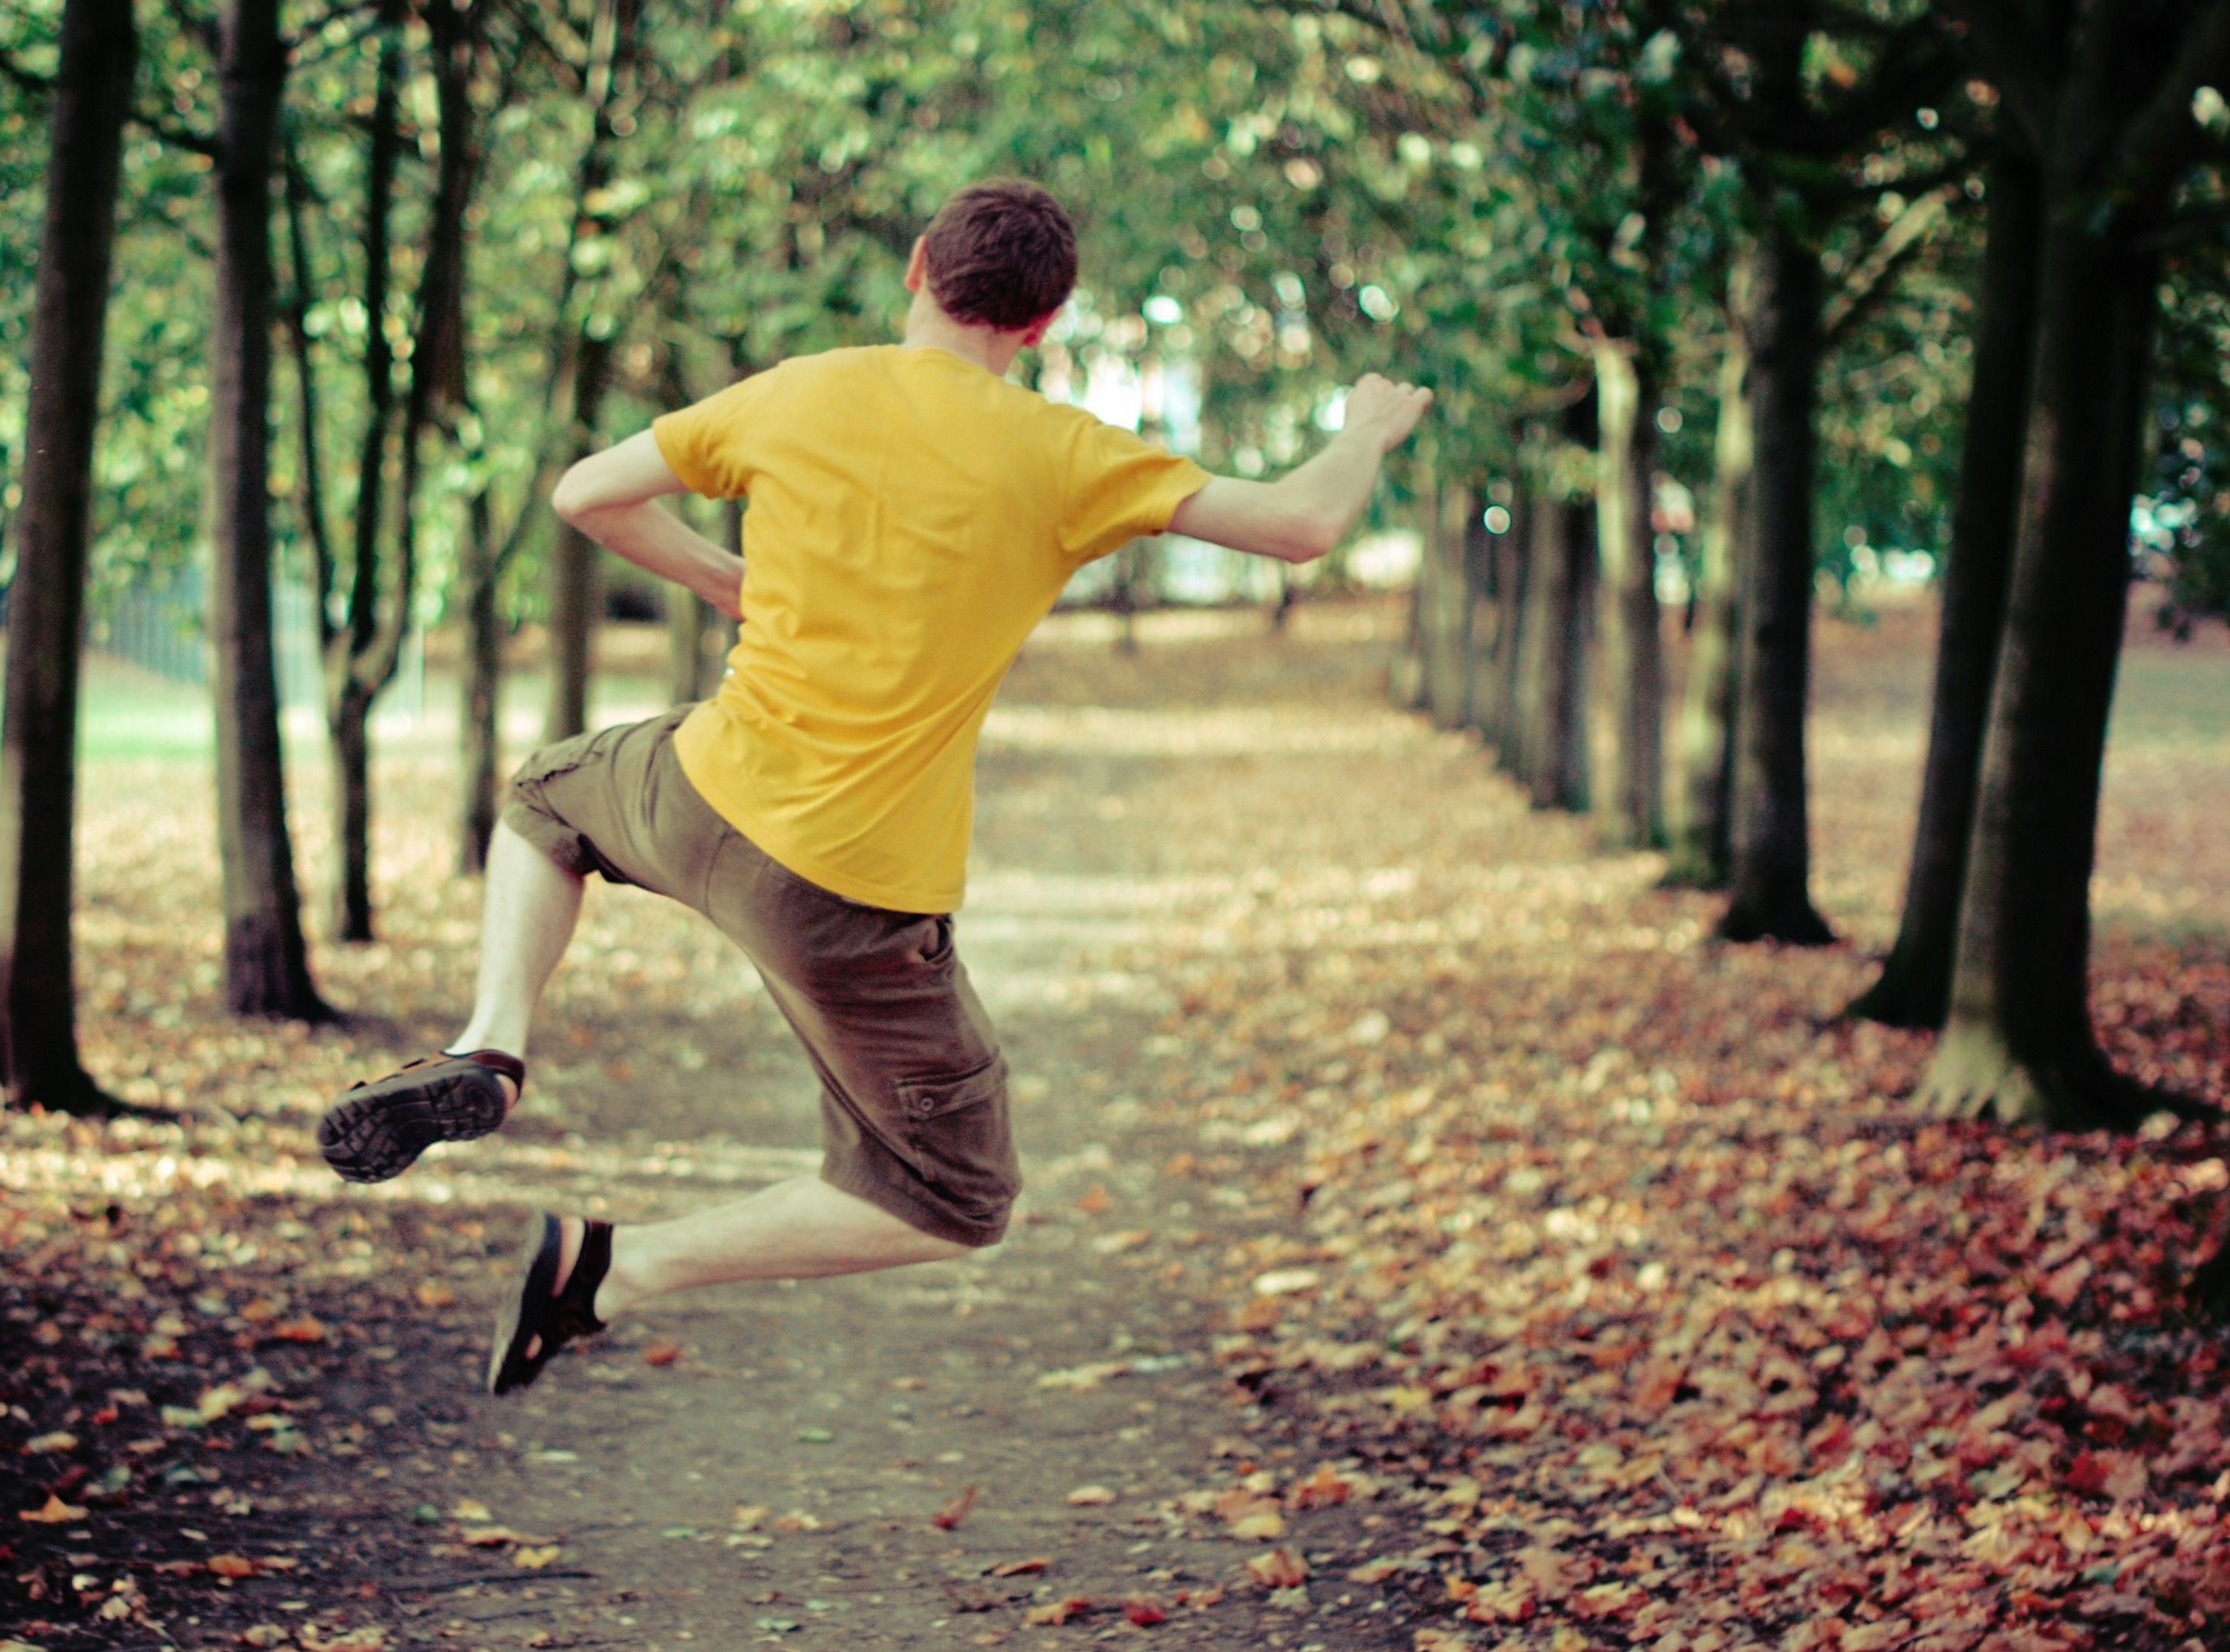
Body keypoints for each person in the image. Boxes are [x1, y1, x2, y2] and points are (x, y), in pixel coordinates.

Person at [319, 178, 1431, 1395]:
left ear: (917, 268)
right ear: (1042, 326)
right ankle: (613, 1270)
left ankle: (490, 1045)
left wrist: (718, 578)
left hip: (698, 794)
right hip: (847, 890)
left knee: (543, 799)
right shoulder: (1066, 452)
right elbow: (1303, 524)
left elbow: (587, 493)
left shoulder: (801, 388)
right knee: (954, 1196)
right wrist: (1365, 429)